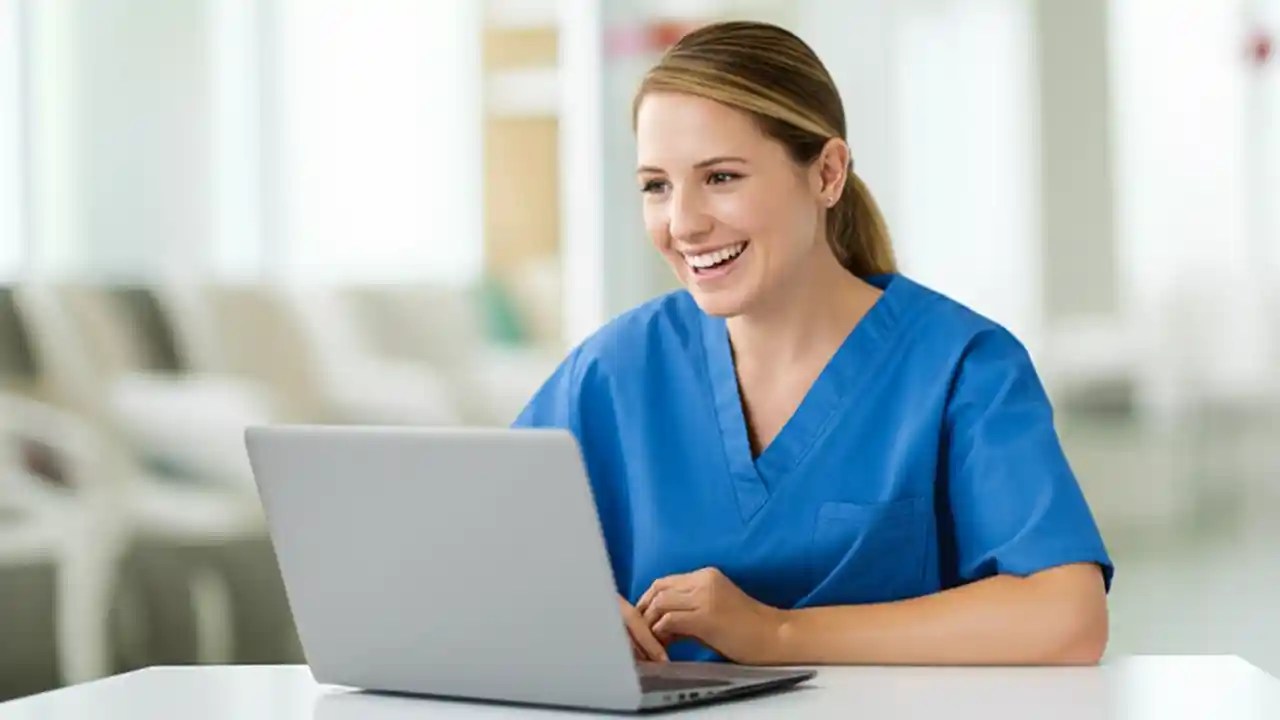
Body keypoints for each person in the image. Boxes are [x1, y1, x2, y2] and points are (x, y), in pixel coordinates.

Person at [515, 20, 1112, 666]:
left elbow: (1068, 615)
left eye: (721, 177)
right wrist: (567, 612)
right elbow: (471, 552)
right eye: (656, 185)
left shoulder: (961, 368)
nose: (682, 222)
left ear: (827, 173)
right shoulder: (614, 372)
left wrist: (776, 634)